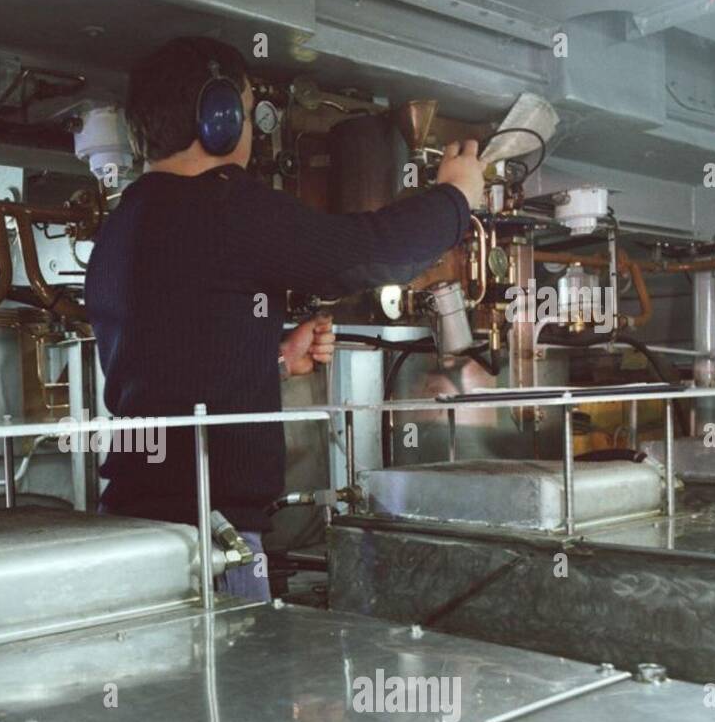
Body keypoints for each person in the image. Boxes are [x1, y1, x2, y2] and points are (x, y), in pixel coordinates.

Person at [84, 36, 485, 600]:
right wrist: (455, 198)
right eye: (248, 114)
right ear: (218, 118)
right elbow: (367, 251)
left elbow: (171, 357)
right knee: (237, 685)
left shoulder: (124, 224)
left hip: (140, 532)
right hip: (210, 539)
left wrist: (271, 354)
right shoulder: (223, 204)